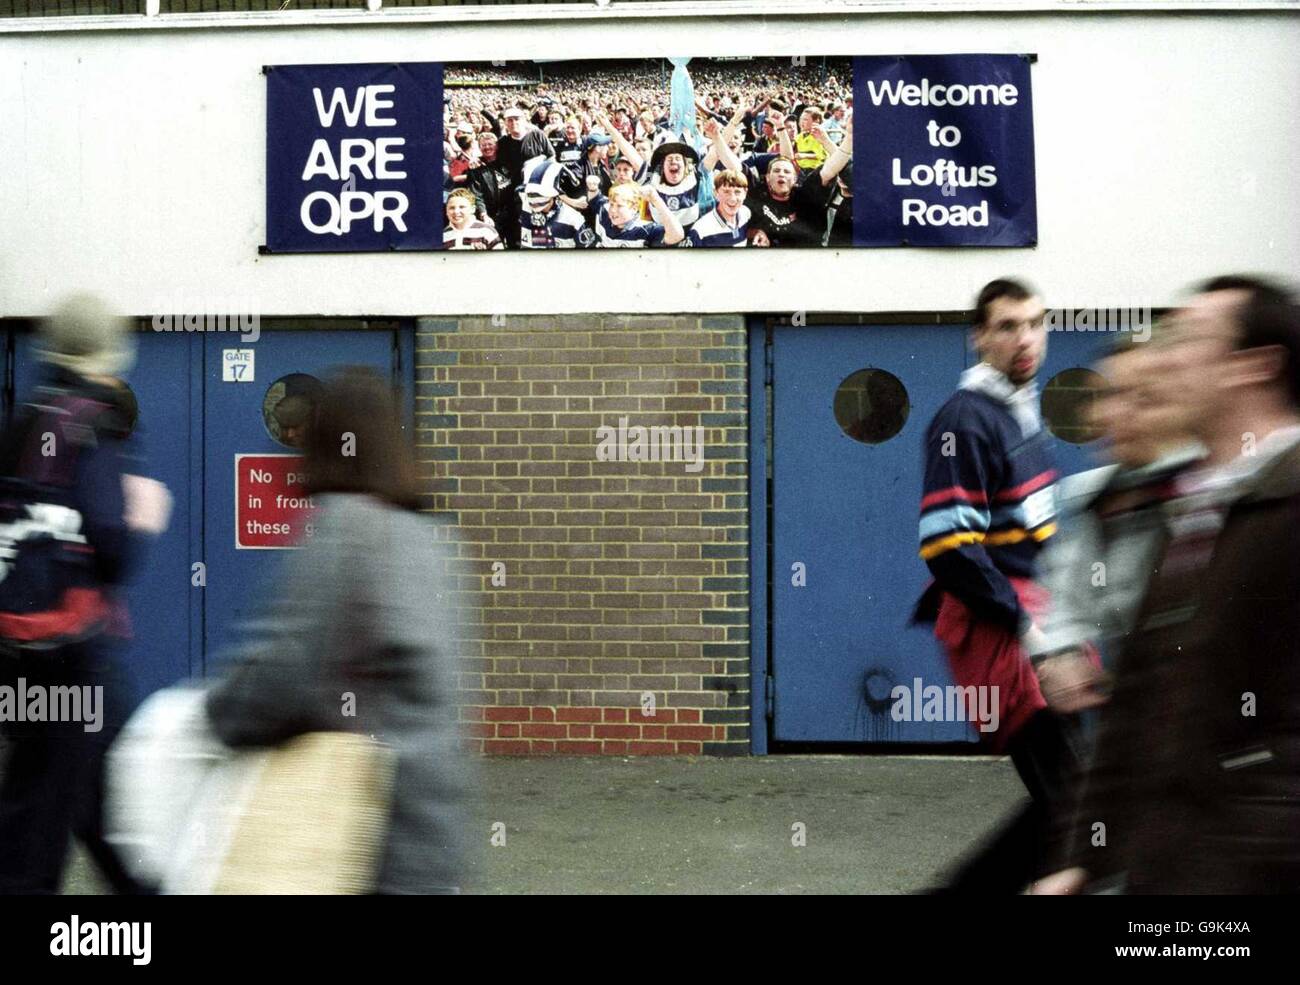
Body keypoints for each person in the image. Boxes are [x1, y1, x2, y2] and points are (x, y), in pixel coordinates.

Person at [1036, 277, 1300, 895]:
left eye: (1193, 340)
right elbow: (1142, 697)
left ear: (1254, 368)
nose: (1168, 358)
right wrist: (1082, 854)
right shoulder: (1200, 503)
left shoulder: (1284, 504)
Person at [206, 368, 473, 894]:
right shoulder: (435, 542)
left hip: (360, 842)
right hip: (434, 838)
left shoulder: (342, 528)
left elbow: (285, 678)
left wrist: (215, 715)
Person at [914, 277, 1084, 893]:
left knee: (1066, 804)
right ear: (979, 337)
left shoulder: (1019, 412)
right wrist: (1032, 631)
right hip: (1007, 635)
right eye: (1008, 326)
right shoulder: (965, 418)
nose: (1026, 338)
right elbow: (948, 546)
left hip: (1040, 628)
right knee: (1075, 801)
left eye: (1036, 323)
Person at [0, 294, 171, 894]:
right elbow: (111, 546)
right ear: (109, 351)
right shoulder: (91, 419)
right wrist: (141, 518)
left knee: (74, 802)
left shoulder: (26, 417)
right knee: (48, 822)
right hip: (74, 654)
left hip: (21, 647)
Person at [591, 182, 684, 248]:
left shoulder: (646, 230)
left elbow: (677, 236)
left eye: (619, 206)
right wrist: (592, 188)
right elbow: (594, 199)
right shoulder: (603, 211)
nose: (613, 210)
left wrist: (655, 199)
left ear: (634, 209)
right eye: (611, 204)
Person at [685, 168, 750, 247]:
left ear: (745, 193)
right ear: (716, 193)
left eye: (737, 192)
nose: (732, 199)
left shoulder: (746, 214)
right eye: (726, 192)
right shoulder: (700, 230)